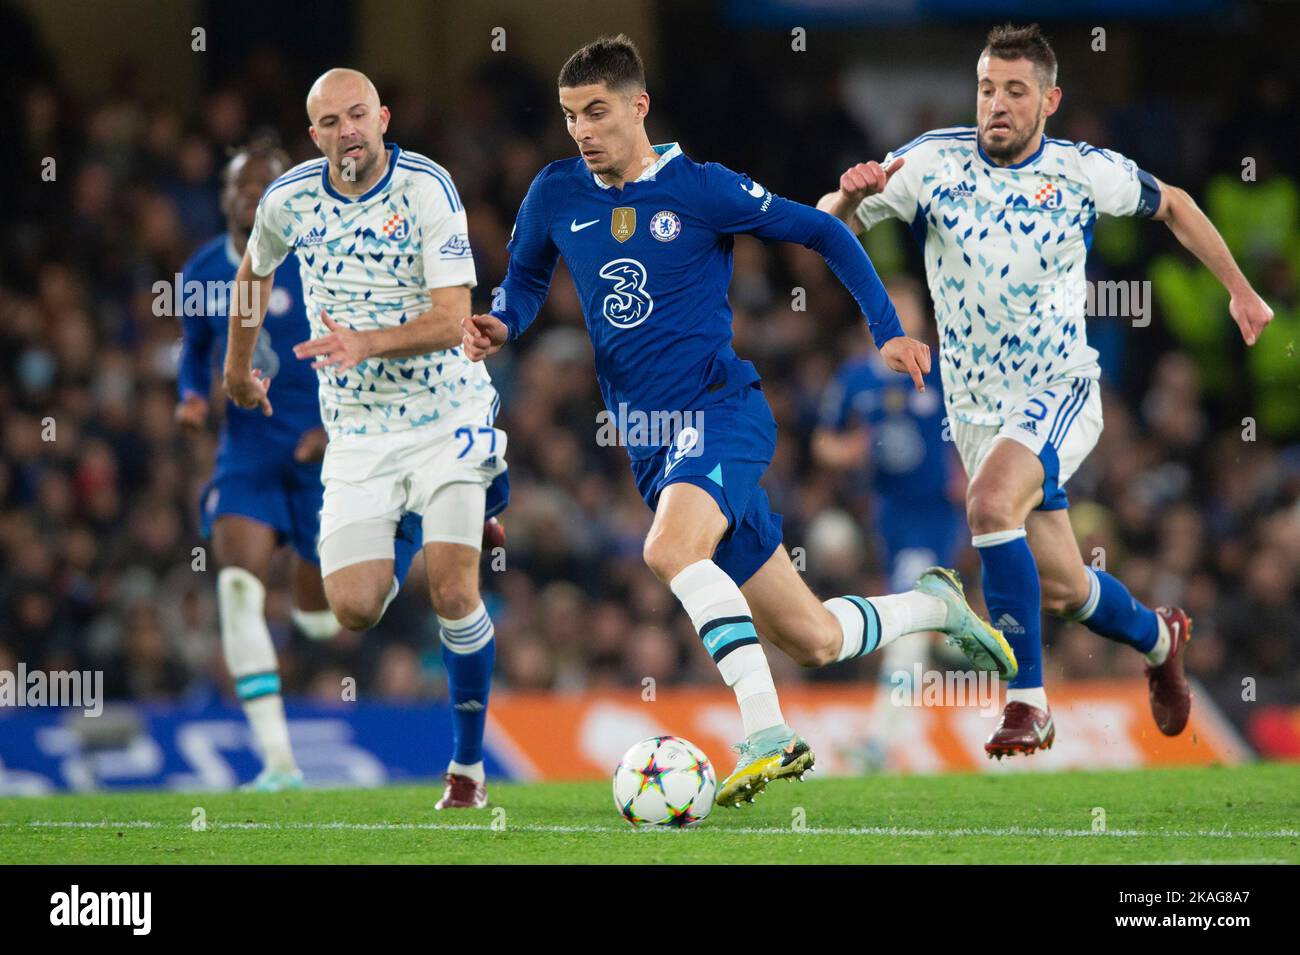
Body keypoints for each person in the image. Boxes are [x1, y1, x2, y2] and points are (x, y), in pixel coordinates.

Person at [461, 35, 1015, 807]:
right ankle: (937, 606)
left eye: (596, 112)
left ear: (638, 106)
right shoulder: (556, 193)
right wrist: (500, 323)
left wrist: (886, 327)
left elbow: (821, 230)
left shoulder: (701, 187)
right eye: (568, 116)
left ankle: (765, 732)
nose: (581, 131)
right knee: (814, 637)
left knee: (670, 548)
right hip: (654, 448)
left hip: (723, 412)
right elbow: (522, 283)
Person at [817, 22, 1274, 756]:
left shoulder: (1083, 170)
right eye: (986, 88)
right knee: (1064, 589)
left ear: (1049, 99)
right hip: (975, 412)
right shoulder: (931, 162)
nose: (996, 103)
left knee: (990, 502)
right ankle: (1161, 638)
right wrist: (846, 197)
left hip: (1060, 390)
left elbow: (1178, 204)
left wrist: (1241, 292)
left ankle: (1027, 701)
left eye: (1014, 91)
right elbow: (821, 229)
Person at [224, 70, 507, 808]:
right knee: (351, 607)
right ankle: (425, 511)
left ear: (382, 117)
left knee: (452, 587)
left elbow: (454, 317)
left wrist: (366, 342)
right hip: (358, 432)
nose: (347, 130)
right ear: (312, 135)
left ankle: (468, 769)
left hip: (447, 412)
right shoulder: (290, 202)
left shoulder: (428, 188)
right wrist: (236, 370)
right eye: (330, 121)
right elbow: (253, 275)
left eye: (358, 115)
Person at [177, 140, 344, 792]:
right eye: (241, 186)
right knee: (238, 584)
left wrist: (336, 426)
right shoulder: (199, 273)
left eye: (265, 185)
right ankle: (279, 761)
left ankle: (318, 605)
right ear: (224, 198)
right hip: (248, 448)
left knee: (322, 617)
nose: (252, 195)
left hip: (322, 449)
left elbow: (358, 345)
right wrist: (191, 395)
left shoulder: (323, 261)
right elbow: (195, 350)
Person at [813, 277, 963, 770]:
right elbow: (824, 442)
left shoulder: (947, 371)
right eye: (886, 310)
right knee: (921, 619)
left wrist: (971, 471)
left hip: (934, 515)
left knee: (910, 619)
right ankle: (977, 649)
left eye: (905, 308)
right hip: (885, 514)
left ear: (923, 319)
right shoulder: (856, 378)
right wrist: (849, 451)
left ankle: (879, 740)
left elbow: (984, 425)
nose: (897, 318)